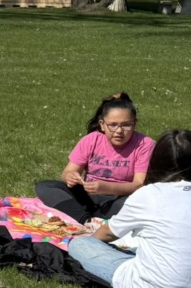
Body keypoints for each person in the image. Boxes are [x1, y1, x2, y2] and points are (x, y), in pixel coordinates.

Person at [68, 130, 191, 288]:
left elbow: (108, 233)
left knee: (80, 245)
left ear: (157, 159)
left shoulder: (149, 193)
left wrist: (91, 241)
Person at [36, 92, 155, 223]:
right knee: (45, 186)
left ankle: (79, 214)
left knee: (140, 205)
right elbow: (67, 172)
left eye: (126, 125)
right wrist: (70, 176)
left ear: (135, 123)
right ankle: (85, 221)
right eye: (113, 125)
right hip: (87, 196)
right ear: (102, 124)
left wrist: (105, 187)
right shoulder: (91, 140)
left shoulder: (144, 144)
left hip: (118, 199)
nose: (119, 131)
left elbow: (138, 185)